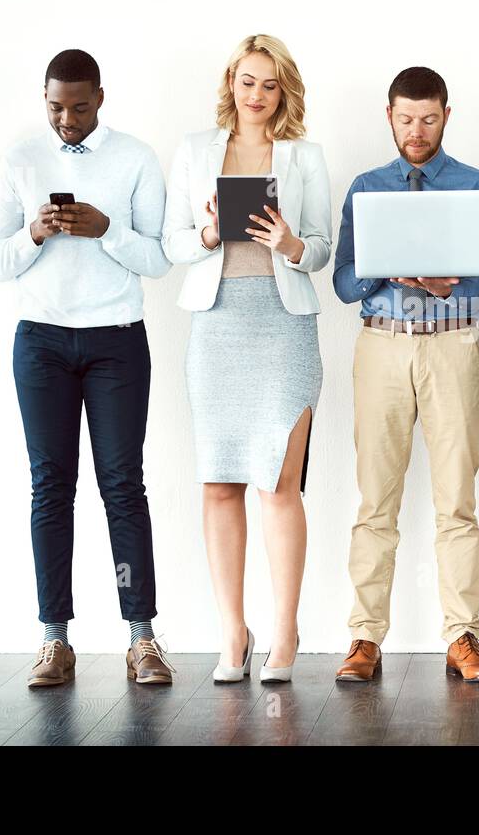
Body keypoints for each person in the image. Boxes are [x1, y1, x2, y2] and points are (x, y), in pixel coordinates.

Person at [0, 48, 175, 687]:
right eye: (55, 107)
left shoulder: (135, 158)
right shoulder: (19, 159)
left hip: (116, 341)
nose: (66, 119)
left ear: (100, 98)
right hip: (40, 342)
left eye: (79, 107)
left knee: (122, 486)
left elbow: (159, 259)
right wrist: (34, 234)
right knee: (50, 488)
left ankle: (142, 638)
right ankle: (54, 639)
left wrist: (106, 230)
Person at [161, 34, 332, 684]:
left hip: (284, 327)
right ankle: (233, 631)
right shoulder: (195, 151)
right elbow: (175, 243)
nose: (256, 95)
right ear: (230, 83)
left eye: (269, 84)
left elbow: (322, 248)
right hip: (217, 324)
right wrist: (210, 231)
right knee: (219, 481)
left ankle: (285, 630)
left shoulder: (304, 156)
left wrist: (289, 241)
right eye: (247, 81)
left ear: (284, 91)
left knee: (278, 485)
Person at [331, 67, 479, 682]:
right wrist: (386, 269)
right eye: (406, 119)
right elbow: (343, 282)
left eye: (429, 119)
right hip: (382, 346)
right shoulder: (366, 188)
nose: (417, 131)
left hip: (453, 345)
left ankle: (462, 637)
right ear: (389, 116)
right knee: (375, 500)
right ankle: (364, 638)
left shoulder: (477, 188)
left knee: (457, 500)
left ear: (446, 116)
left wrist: (445, 284)